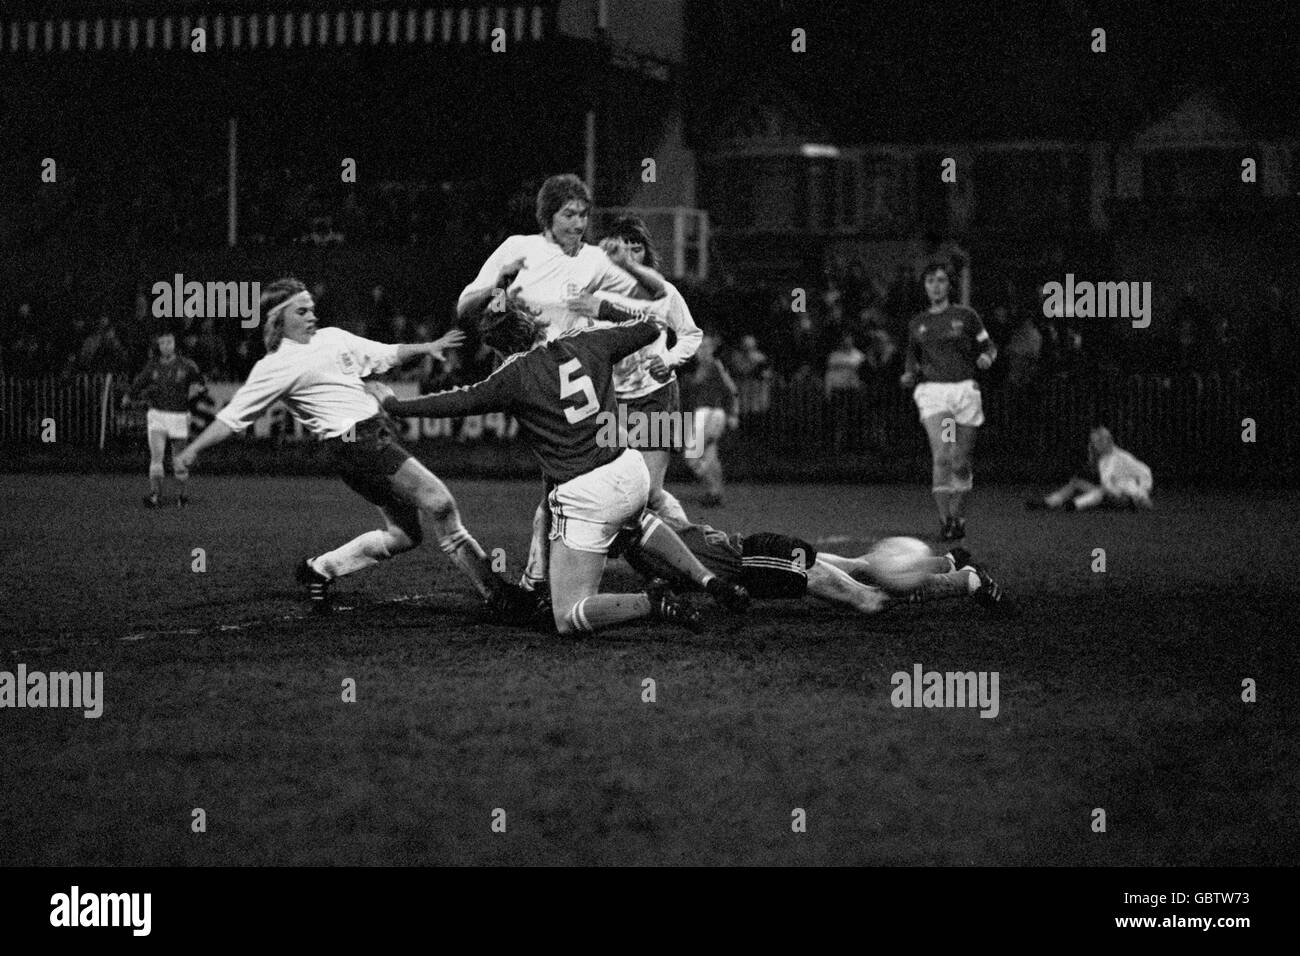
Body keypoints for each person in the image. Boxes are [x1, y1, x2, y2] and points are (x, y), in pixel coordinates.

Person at [372, 295, 750, 636]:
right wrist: (606, 309)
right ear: (533, 324)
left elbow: (456, 402)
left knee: (567, 615)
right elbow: (653, 325)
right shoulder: (587, 342)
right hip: (630, 470)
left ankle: (651, 602)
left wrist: (395, 404)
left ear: (499, 349)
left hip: (588, 493)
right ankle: (708, 580)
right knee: (635, 521)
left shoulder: (512, 377)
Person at [174, 278, 514, 616]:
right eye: (302, 311)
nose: (311, 316)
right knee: (440, 503)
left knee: (405, 535)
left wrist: (426, 347)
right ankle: (498, 595)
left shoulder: (333, 338)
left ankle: (320, 568)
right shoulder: (274, 366)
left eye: (312, 309)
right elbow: (232, 417)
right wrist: (193, 449)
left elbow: (384, 353)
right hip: (360, 444)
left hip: (365, 444)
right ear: (279, 319)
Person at [456, 175, 670, 599]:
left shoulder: (593, 259)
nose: (578, 223)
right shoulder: (519, 249)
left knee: (573, 484)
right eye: (568, 214)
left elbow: (656, 295)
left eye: (584, 214)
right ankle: (669, 562)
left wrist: (625, 266)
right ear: (547, 217)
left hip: (579, 382)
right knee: (575, 483)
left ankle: (540, 584)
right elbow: (466, 307)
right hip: (532, 382)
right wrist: (499, 284)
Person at [614, 522, 1014, 618]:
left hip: (760, 562)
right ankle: (948, 563)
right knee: (861, 568)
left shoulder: (640, 528)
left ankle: (962, 581)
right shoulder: (639, 536)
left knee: (869, 601)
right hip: (759, 552)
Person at [900, 263, 997, 542]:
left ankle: (958, 518)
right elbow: (912, 357)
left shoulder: (966, 316)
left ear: (949, 285)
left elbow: (988, 345)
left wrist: (987, 358)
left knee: (961, 461)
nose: (936, 286)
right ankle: (946, 521)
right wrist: (909, 374)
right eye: (930, 281)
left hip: (964, 393)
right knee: (943, 455)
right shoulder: (917, 323)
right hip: (934, 394)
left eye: (941, 280)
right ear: (925, 286)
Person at [121, 329, 207, 508]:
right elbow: (138, 383)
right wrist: (128, 396)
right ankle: (155, 495)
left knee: (179, 459)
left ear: (174, 344)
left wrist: (198, 389)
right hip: (157, 415)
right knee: (156, 457)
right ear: (158, 345)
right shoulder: (152, 366)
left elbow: (201, 383)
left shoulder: (186, 365)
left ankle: (181, 496)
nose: (166, 346)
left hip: (178, 416)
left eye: (169, 342)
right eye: (162, 343)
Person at [1028, 426, 1154, 511]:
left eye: (1098, 441)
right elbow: (1106, 484)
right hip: (1111, 495)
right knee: (1077, 483)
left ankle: (1072, 504)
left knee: (1100, 492)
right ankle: (1050, 502)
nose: (1095, 445)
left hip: (1125, 498)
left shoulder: (1123, 457)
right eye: (1094, 442)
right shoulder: (1104, 459)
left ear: (1108, 441)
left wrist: (1143, 495)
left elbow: (1145, 472)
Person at [679, 332, 739, 507]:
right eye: (699, 347)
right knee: (710, 454)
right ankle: (715, 493)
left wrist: (733, 413)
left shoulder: (715, 366)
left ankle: (713, 488)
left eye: (705, 347)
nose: (701, 351)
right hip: (706, 415)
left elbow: (732, 390)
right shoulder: (701, 369)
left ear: (712, 349)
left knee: (692, 456)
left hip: (710, 414)